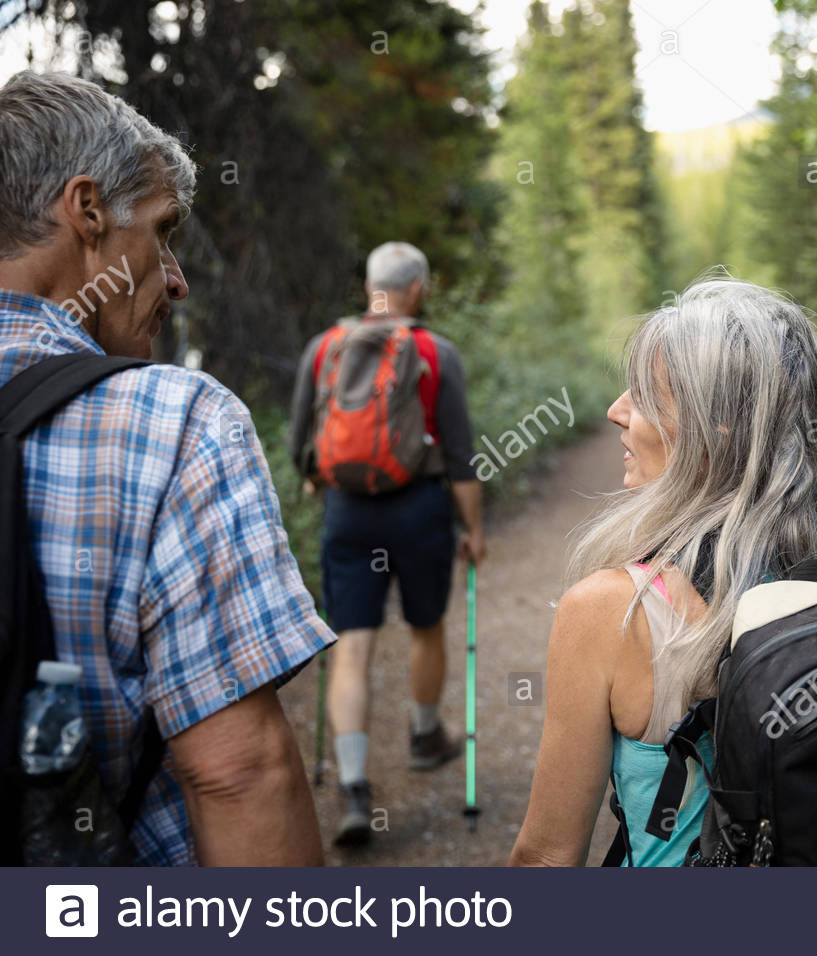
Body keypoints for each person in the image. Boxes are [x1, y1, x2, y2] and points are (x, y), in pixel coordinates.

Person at [0, 70, 333, 865]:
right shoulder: (173, 424)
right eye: (162, 229)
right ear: (87, 211)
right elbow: (237, 775)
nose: (176, 279)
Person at [508, 273, 817, 866]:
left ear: (716, 430)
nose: (616, 411)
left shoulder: (611, 611)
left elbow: (548, 856)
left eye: (645, 397)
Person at [289, 241, 485, 847]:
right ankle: (425, 737)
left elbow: (303, 449)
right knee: (426, 626)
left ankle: (352, 786)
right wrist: (474, 529)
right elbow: (459, 455)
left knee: (351, 646)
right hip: (418, 509)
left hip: (348, 512)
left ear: (370, 286)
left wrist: (326, 483)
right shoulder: (433, 351)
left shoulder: (325, 348)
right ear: (418, 288)